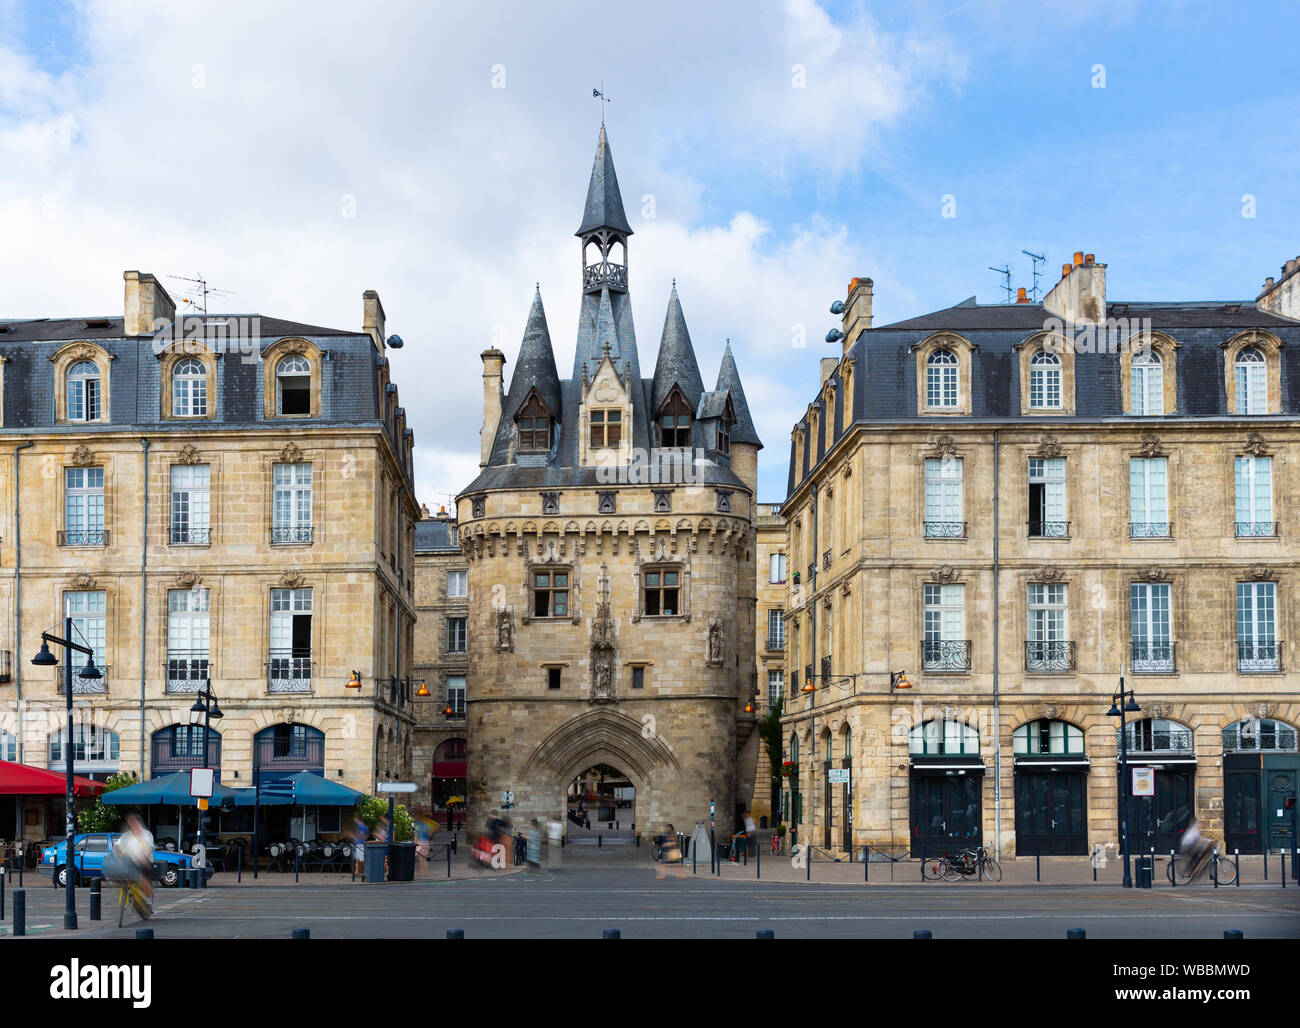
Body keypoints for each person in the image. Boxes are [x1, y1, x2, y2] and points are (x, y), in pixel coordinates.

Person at [103, 813, 155, 912]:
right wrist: (118, 857)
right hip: (129, 862)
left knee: (145, 880)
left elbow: (147, 848)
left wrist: (143, 857)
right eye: (130, 823)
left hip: (144, 862)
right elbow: (117, 846)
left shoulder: (146, 834)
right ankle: (128, 895)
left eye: (134, 823)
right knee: (122, 874)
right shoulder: (127, 835)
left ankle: (148, 901)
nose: (132, 825)